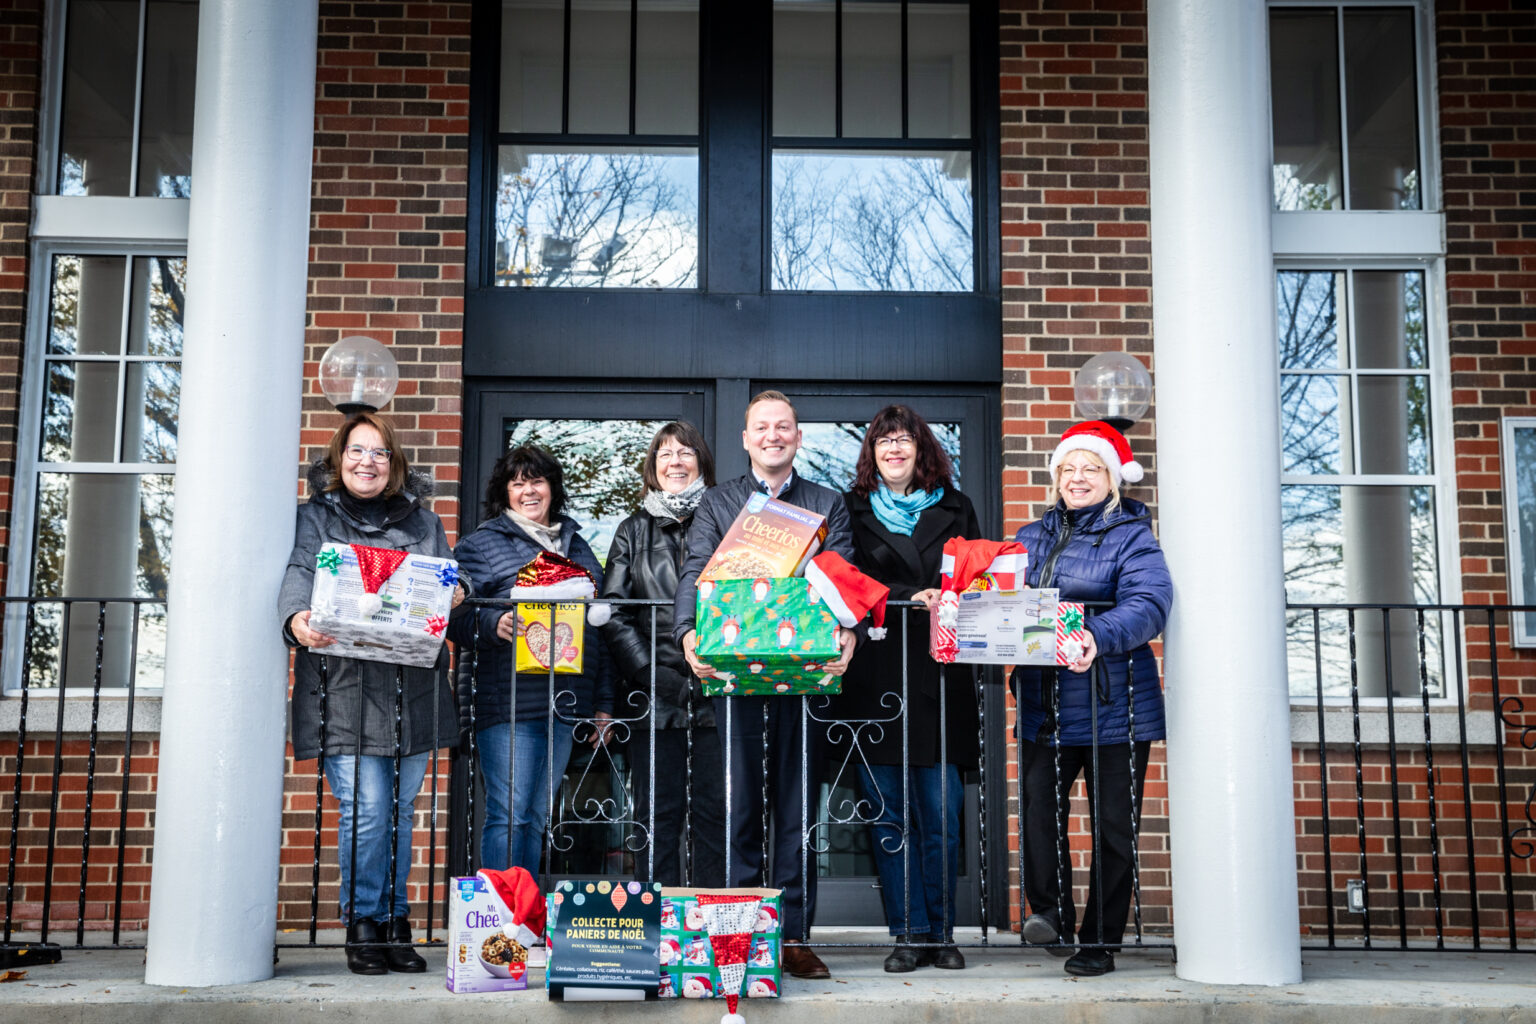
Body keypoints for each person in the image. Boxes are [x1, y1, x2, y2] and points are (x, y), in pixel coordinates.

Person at [672, 390, 857, 980]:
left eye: (784, 427)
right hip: (736, 671)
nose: (773, 435)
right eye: (762, 427)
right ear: (746, 439)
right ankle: (741, 936)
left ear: (797, 437)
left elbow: (842, 576)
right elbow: (695, 570)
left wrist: (850, 630)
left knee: (797, 809)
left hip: (803, 674)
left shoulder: (826, 502)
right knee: (739, 808)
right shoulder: (719, 501)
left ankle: (794, 937)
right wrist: (686, 633)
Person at [279, 412, 468, 975]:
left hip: (413, 687)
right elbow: (298, 571)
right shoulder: (313, 517)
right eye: (357, 451)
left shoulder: (425, 522)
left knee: (400, 812)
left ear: (394, 463)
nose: (368, 462)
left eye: (380, 452)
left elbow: (448, 576)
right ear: (339, 459)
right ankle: (364, 921)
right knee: (367, 810)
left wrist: (457, 590)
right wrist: (296, 618)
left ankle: (394, 923)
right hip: (343, 689)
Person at [1011, 421, 1171, 978]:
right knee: (1039, 817)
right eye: (1069, 468)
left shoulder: (1132, 537)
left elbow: (1150, 602)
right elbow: (1001, 596)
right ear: (1056, 476)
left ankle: (1100, 940)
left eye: (1091, 468)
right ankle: (1050, 916)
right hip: (1044, 705)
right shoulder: (1028, 537)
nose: (1078, 478)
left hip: (1115, 707)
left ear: (1112, 479)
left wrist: (1094, 635)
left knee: (1112, 831)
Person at [836, 405, 982, 972]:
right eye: (883, 441)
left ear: (921, 449)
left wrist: (948, 596)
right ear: (872, 453)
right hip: (874, 680)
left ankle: (942, 933)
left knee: (941, 817)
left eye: (904, 440)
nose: (894, 448)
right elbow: (842, 578)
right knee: (888, 817)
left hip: (937, 681)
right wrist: (905, 596)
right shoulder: (849, 509)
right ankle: (908, 933)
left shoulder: (956, 506)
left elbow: (977, 579)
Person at [450, 444, 615, 877]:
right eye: (517, 483)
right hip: (508, 706)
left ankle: (525, 909)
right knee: (509, 815)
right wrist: (494, 623)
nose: (528, 491)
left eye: (537, 481)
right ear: (504, 492)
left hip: (564, 705)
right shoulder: (480, 545)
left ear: (552, 488)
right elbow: (454, 618)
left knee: (537, 817)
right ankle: (501, 913)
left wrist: (603, 703)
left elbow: (597, 633)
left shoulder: (578, 548)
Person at [599, 421, 728, 887]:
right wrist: (653, 674)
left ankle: (710, 922)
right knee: (657, 819)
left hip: (719, 694)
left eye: (685, 452)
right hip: (653, 700)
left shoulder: (727, 524)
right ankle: (662, 920)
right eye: (665, 454)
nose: (675, 462)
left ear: (702, 463)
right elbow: (612, 612)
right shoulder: (631, 531)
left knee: (716, 816)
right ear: (653, 467)